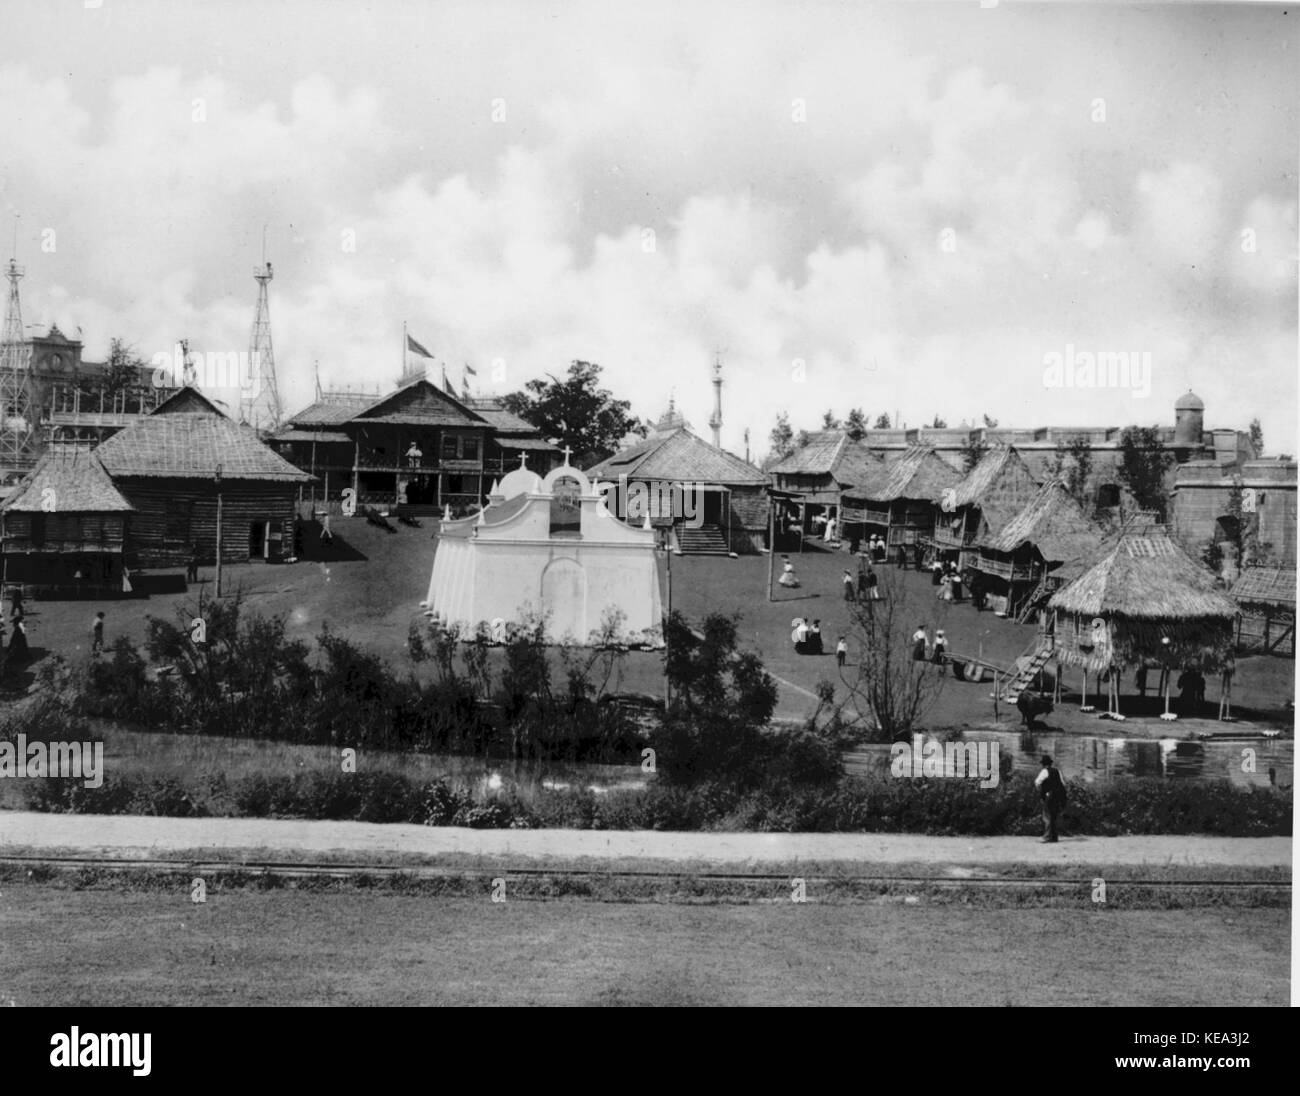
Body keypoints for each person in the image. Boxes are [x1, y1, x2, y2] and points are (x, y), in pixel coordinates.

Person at [1035, 755, 1068, 843]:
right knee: (1054, 816)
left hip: (1049, 796)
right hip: (1058, 796)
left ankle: (1047, 837)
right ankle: (1054, 836)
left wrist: (1041, 792)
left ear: (1043, 764)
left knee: (1047, 816)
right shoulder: (1058, 771)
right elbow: (1063, 784)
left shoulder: (1044, 771)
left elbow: (1037, 782)